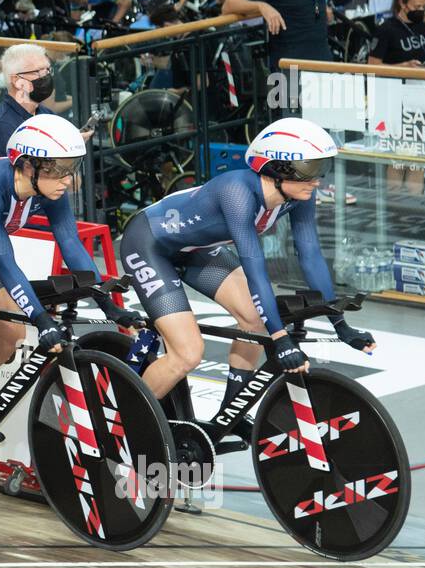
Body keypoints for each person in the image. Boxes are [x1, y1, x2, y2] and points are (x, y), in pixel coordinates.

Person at [118, 117, 375, 448]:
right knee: (188, 353)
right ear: (279, 168)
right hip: (149, 244)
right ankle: (122, 427)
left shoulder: (299, 195)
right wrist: (281, 338)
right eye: (311, 167)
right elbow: (255, 268)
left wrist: (341, 325)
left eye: (321, 166)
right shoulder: (238, 192)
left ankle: (231, 413)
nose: (318, 178)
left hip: (194, 249)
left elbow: (310, 255)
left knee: (254, 320)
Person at [0, 115, 141, 440]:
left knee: (11, 332)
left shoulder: (49, 191)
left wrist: (108, 305)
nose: (68, 178)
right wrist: (41, 318)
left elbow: (72, 247)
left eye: (71, 167)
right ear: (26, 165)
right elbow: (5, 263)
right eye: (58, 169)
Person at [369, 0, 425, 198]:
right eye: (416, 7)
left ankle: (416, 201)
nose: (421, 11)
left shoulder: (422, 27)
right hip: (396, 100)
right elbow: (372, 65)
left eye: (424, 6)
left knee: (418, 157)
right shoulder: (386, 29)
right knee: (398, 156)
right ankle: (394, 202)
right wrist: (401, 67)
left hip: (421, 96)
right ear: (403, 4)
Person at [0, 43, 63, 150]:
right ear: (16, 80)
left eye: (47, 70)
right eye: (38, 72)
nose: (45, 77)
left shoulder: (47, 114)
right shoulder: (2, 126)